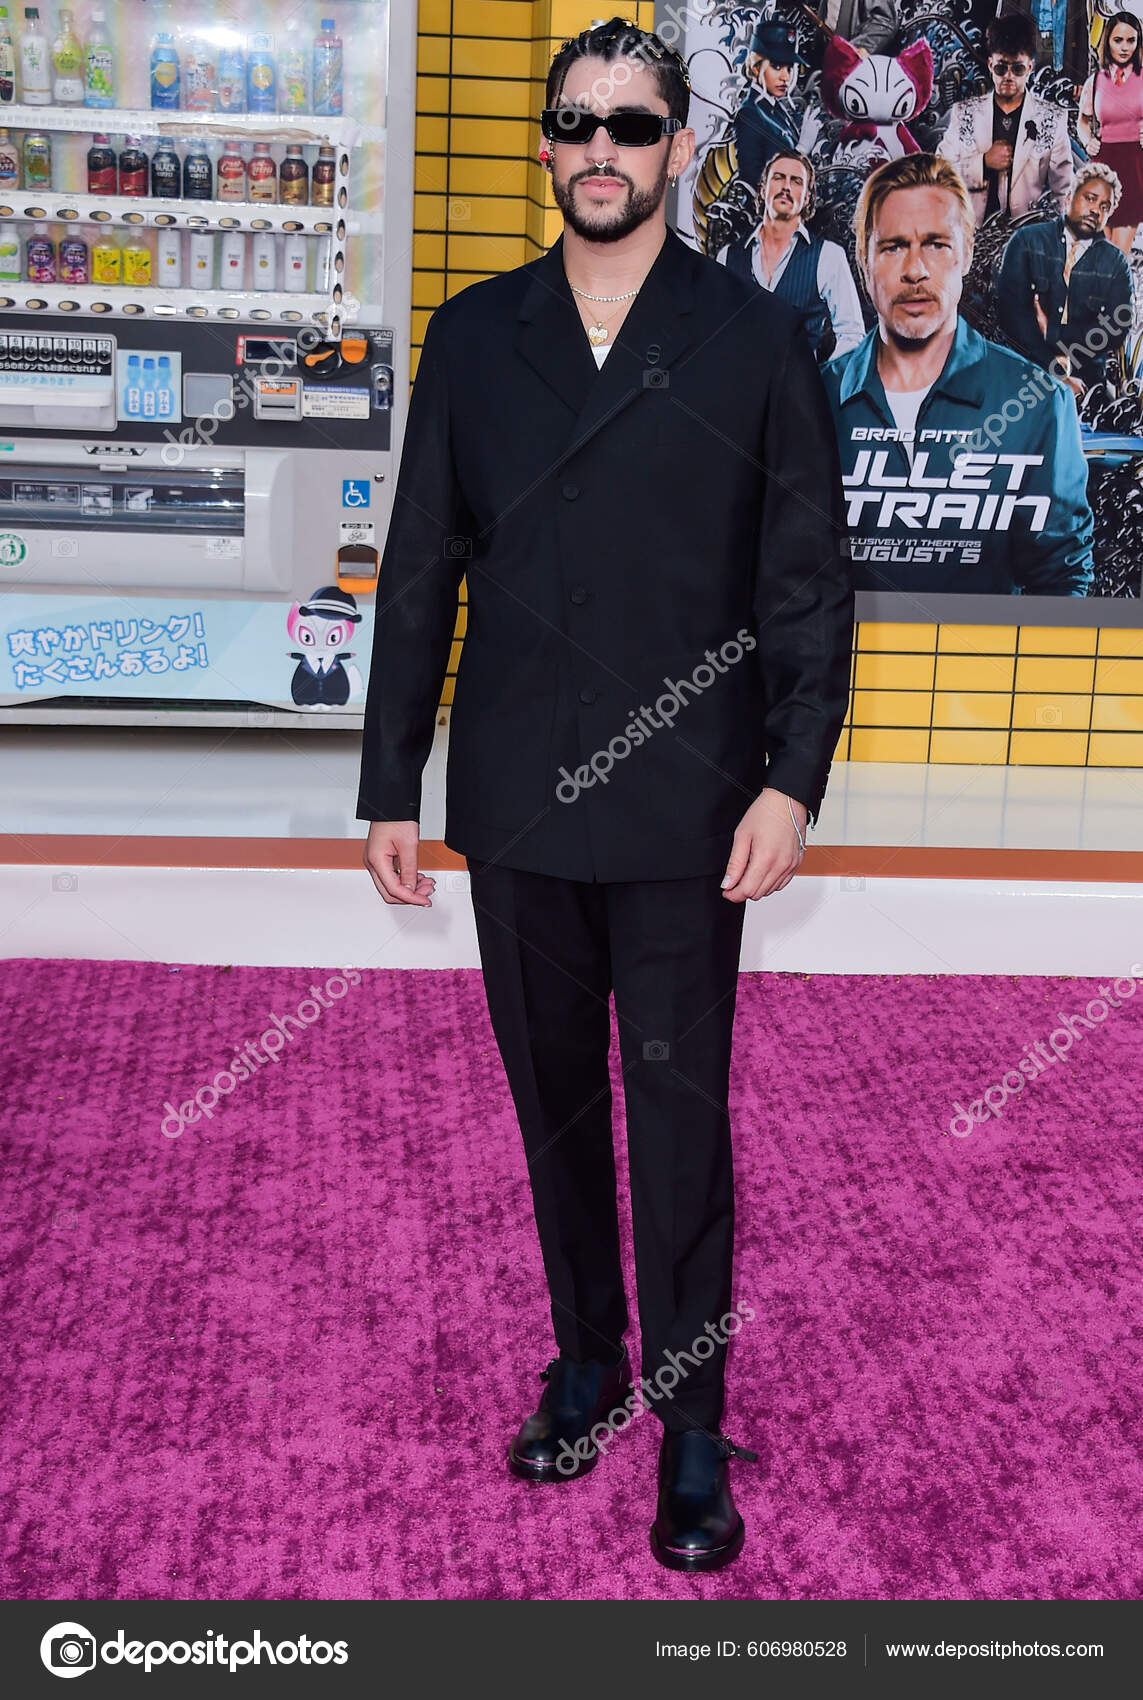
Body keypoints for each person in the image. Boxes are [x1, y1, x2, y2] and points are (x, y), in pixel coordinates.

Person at [356, 16, 854, 1573]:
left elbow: (803, 587)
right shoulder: (472, 331)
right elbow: (421, 566)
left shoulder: (751, 338)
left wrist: (790, 782)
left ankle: (690, 1422)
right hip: (514, 792)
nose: (598, 152)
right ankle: (583, 1358)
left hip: (688, 800)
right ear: (545, 142)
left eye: (630, 127)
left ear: (678, 146)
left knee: (677, 1118)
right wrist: (388, 780)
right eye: (573, 124)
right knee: (554, 1104)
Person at [821, 152, 1094, 595]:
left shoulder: (1038, 405)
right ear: (862, 260)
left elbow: (1061, 582)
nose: (915, 270)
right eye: (893, 246)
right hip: (840, 665)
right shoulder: (812, 400)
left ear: (965, 254)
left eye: (936, 244)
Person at [715, 147, 865, 359]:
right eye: (778, 178)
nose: (786, 186)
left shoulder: (828, 255)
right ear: (763, 188)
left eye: (796, 181)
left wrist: (820, 381)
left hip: (798, 390)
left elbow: (852, 335)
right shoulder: (728, 257)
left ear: (807, 197)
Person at [996, 162, 1132, 393]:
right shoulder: (1027, 242)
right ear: (1069, 198)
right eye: (1089, 198)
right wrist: (1055, 373)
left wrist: (1052, 331)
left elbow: (1116, 330)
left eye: (1104, 206)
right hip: (1024, 377)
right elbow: (1012, 317)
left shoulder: (1116, 262)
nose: (1095, 210)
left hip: (1088, 388)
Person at [937, 11, 1073, 224]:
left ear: (1029, 67)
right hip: (973, 237)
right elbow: (940, 172)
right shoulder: (964, 114)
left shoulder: (1052, 119)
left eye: (1017, 69)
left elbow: (1063, 191)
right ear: (990, 65)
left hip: (1028, 238)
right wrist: (982, 163)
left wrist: (1049, 239)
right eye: (1001, 68)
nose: (1009, 76)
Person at [1078, 11, 1143, 255]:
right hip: (1102, 167)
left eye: (1131, 40)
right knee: (1101, 250)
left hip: (1134, 167)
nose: (1125, 47)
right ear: (1108, 41)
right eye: (1118, 40)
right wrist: (1086, 141)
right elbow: (1083, 121)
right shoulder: (1094, 81)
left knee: (1119, 252)